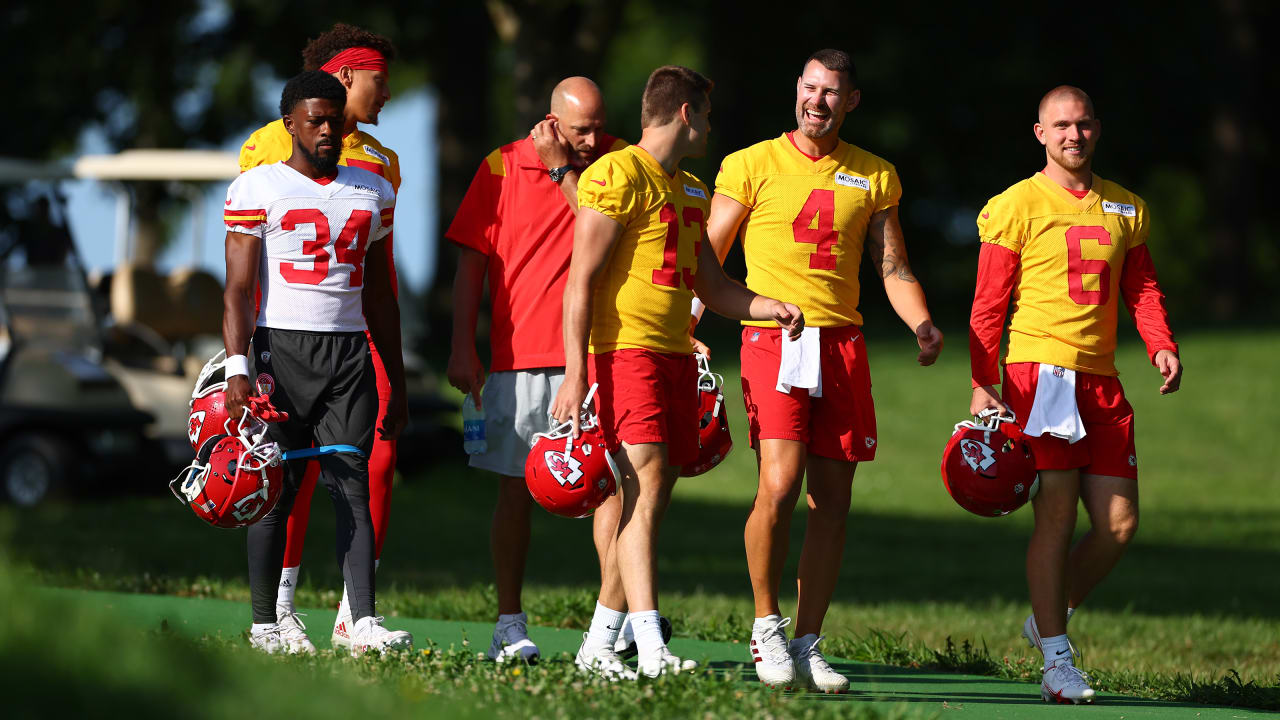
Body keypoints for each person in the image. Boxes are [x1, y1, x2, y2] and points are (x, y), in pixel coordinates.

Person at [552, 65, 805, 680]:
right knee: (648, 482)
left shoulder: (691, 189)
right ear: (686, 113)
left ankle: (598, 645)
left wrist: (768, 307)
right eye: (708, 115)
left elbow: (711, 285)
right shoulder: (615, 173)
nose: (712, 126)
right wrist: (574, 371)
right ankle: (648, 641)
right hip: (625, 350)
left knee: (653, 492)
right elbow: (579, 280)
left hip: (672, 353)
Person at [703, 49, 944, 693]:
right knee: (778, 485)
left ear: (851, 101)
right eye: (810, 88)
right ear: (797, 90)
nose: (819, 101)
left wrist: (920, 322)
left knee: (832, 500)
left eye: (832, 92)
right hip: (774, 337)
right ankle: (766, 625)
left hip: (842, 345)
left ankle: (809, 640)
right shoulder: (750, 162)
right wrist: (687, 324)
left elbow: (892, 268)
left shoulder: (875, 174)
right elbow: (709, 256)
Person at [968, 86, 1181, 704]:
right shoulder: (1015, 205)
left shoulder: (1125, 207)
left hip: (1103, 380)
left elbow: (1140, 289)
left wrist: (1160, 343)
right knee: (1057, 517)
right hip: (1041, 377)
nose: (1073, 135)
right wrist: (983, 384)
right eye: (1060, 125)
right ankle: (1058, 662)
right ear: (1039, 133)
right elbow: (988, 307)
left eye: (1083, 124)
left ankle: (1047, 616)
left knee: (1119, 523)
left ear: (1097, 129)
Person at [222, 70, 411, 655]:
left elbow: (380, 294)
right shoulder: (258, 187)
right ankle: (264, 625)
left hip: (350, 351)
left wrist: (397, 379)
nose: (328, 129)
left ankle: (362, 621)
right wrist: (236, 367)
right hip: (283, 347)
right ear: (291, 125)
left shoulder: (370, 189)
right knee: (278, 487)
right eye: (316, 120)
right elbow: (236, 289)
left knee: (352, 486)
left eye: (336, 119)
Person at [445, 76, 628, 664]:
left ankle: (613, 620)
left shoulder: (621, 162)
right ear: (551, 119)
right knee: (515, 492)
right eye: (581, 130)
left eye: (599, 126)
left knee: (614, 492)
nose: (593, 139)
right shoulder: (499, 166)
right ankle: (508, 622)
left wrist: (564, 169)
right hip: (520, 355)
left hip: (603, 352)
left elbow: (618, 236)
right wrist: (462, 347)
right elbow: (471, 266)